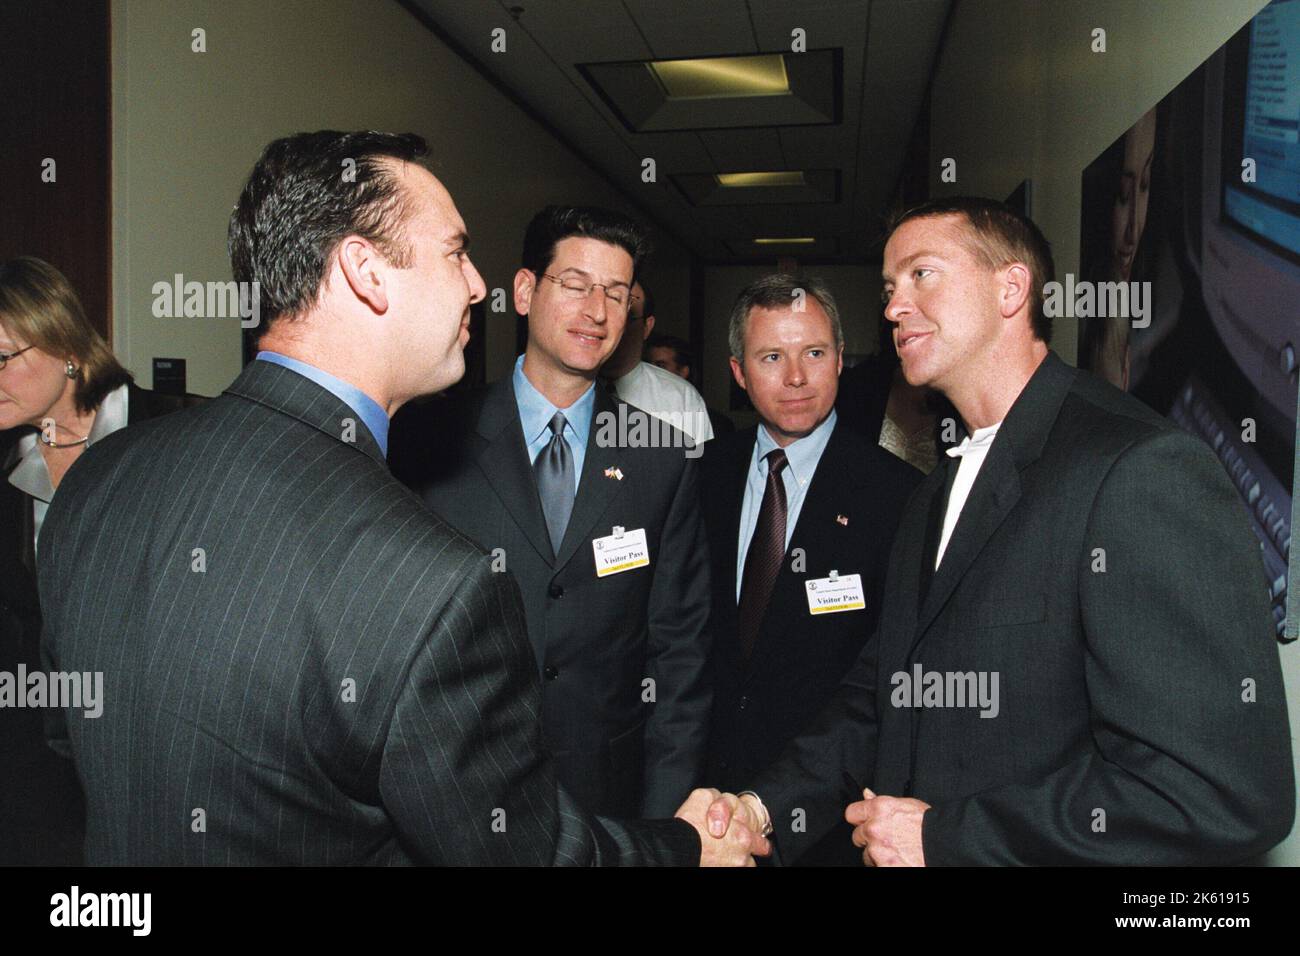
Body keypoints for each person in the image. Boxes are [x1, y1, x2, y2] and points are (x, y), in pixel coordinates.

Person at [37, 131, 766, 866]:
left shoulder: (97, 480)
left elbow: (71, 738)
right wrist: (683, 848)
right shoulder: (432, 578)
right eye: (455, 253)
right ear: (365, 273)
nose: (474, 285)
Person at [704, 196, 1294, 865]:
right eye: (890, 289)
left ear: (1011, 288)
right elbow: (882, 695)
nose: (895, 308)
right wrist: (758, 809)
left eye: (922, 275)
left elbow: (1219, 794)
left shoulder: (1139, 469)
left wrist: (946, 839)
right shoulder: (935, 493)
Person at [388, 205, 713, 821]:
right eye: (576, 285)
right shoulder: (430, 440)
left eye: (617, 294)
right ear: (525, 291)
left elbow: (679, 656)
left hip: (605, 797)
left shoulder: (661, 461)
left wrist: (667, 824)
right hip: (453, 788)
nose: (597, 311)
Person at [701, 274, 920, 865]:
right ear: (739, 372)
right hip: (704, 809)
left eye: (814, 353)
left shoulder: (899, 498)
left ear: (842, 360)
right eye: (772, 356)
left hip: (829, 822)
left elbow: (886, 683)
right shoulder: (700, 478)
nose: (796, 377)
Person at [0, 257, 203, 865]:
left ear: (65, 345)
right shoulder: (7, 463)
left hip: (170, 762)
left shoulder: (184, 429)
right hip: (39, 781)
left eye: (2, 357)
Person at [600, 281, 713, 444]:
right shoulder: (566, 388)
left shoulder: (680, 397)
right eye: (610, 315)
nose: (617, 327)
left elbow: (699, 464)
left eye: (628, 318)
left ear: (647, 326)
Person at [645, 331, 735, 436]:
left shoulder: (716, 424)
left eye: (660, 366)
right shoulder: (635, 414)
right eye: (647, 365)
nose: (651, 372)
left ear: (683, 372)